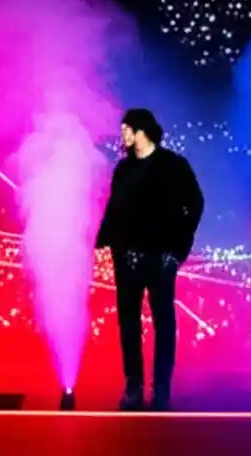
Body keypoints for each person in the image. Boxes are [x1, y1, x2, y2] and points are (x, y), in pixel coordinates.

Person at [95, 108, 204, 411]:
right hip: (127, 258)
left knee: (164, 323)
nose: (123, 135)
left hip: (161, 257)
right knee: (128, 324)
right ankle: (133, 387)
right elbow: (114, 209)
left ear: (141, 130)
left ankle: (161, 389)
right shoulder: (123, 170)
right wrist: (105, 243)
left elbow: (194, 205)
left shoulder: (174, 166)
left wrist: (176, 252)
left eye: (127, 129)